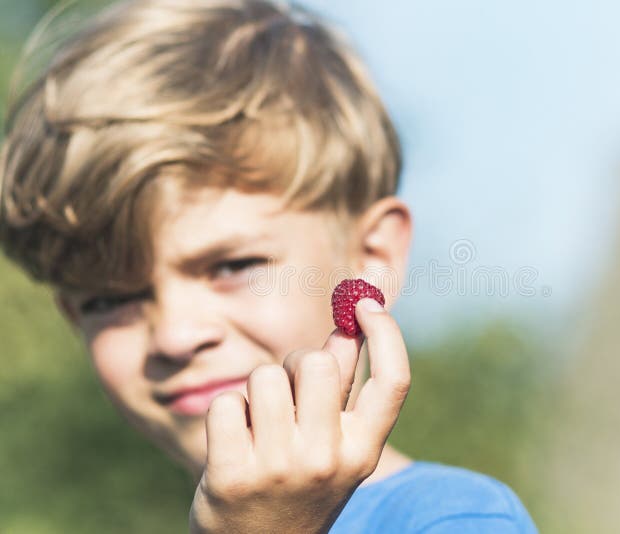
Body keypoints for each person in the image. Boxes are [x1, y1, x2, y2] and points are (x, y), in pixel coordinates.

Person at [0, 1, 539, 532]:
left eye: (232, 265)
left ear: (371, 260)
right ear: (73, 316)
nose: (174, 335)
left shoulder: (456, 520)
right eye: (108, 299)